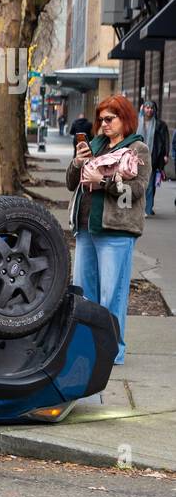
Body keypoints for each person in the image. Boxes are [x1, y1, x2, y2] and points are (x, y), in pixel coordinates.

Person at [67, 95, 149, 366]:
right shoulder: (94, 145)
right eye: (100, 119)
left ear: (125, 119)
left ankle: (113, 351)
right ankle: (89, 347)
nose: (103, 124)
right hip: (86, 227)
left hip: (116, 230)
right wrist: (78, 163)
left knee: (111, 295)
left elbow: (137, 191)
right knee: (85, 294)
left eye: (109, 119)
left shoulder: (137, 149)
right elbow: (71, 183)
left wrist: (102, 181)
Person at [138, 100, 168, 216]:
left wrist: (165, 154)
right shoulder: (137, 122)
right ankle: (139, 206)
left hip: (153, 157)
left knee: (150, 184)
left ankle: (147, 209)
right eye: (147, 107)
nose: (149, 110)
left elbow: (165, 140)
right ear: (143, 109)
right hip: (137, 157)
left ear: (154, 110)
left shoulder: (160, 124)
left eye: (151, 108)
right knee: (138, 183)